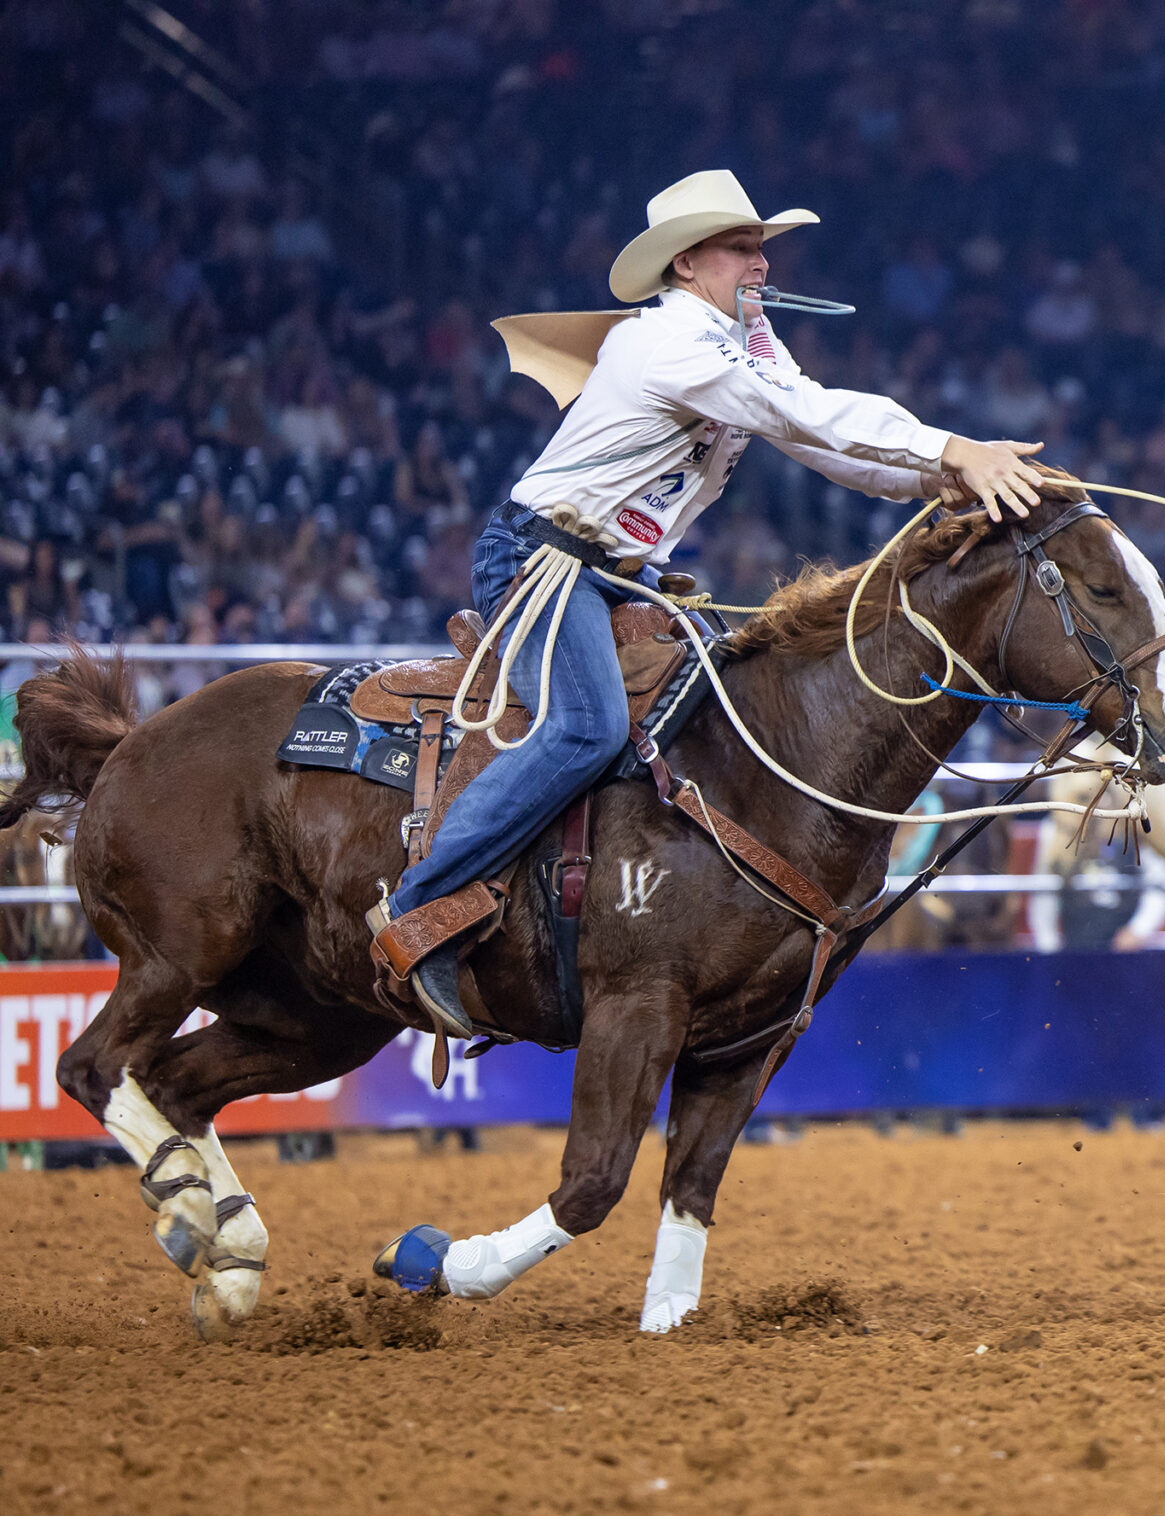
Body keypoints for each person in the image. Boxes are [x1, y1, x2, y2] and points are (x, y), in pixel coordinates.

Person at [369, 170, 1045, 1034]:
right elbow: (803, 411)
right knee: (586, 728)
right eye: (742, 248)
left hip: (616, 576)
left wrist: (944, 477)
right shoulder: (668, 345)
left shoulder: (742, 338)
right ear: (686, 263)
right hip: (542, 563)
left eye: (762, 247)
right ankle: (421, 911)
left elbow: (828, 446)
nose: (760, 264)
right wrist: (952, 446)